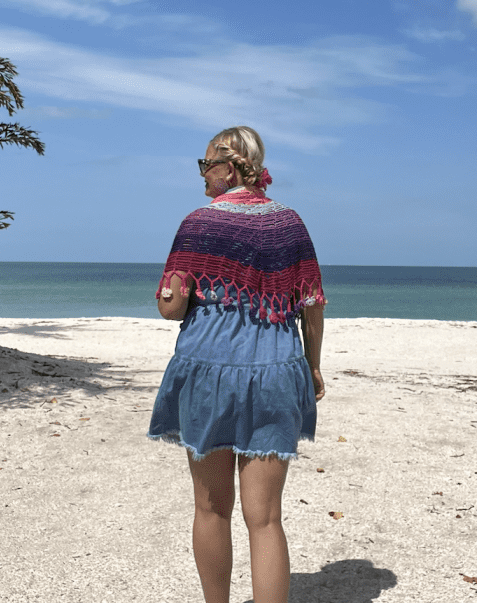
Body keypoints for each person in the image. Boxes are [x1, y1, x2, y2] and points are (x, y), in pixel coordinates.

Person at [149, 126, 326, 603]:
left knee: (211, 510)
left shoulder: (197, 225)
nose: (202, 174)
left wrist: (169, 296)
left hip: (208, 368)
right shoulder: (290, 224)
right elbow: (312, 303)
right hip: (275, 368)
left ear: (228, 169)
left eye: (206, 164)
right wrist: (313, 367)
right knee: (265, 519)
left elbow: (171, 307)